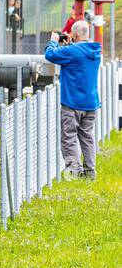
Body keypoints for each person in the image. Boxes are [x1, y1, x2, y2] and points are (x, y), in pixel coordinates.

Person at [44, 19, 101, 180]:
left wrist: (53, 42)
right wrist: (70, 45)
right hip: (90, 103)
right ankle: (90, 172)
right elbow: (78, 59)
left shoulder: (73, 52)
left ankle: (73, 172)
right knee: (87, 138)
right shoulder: (94, 51)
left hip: (72, 103)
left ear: (75, 34)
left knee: (69, 137)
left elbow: (50, 54)